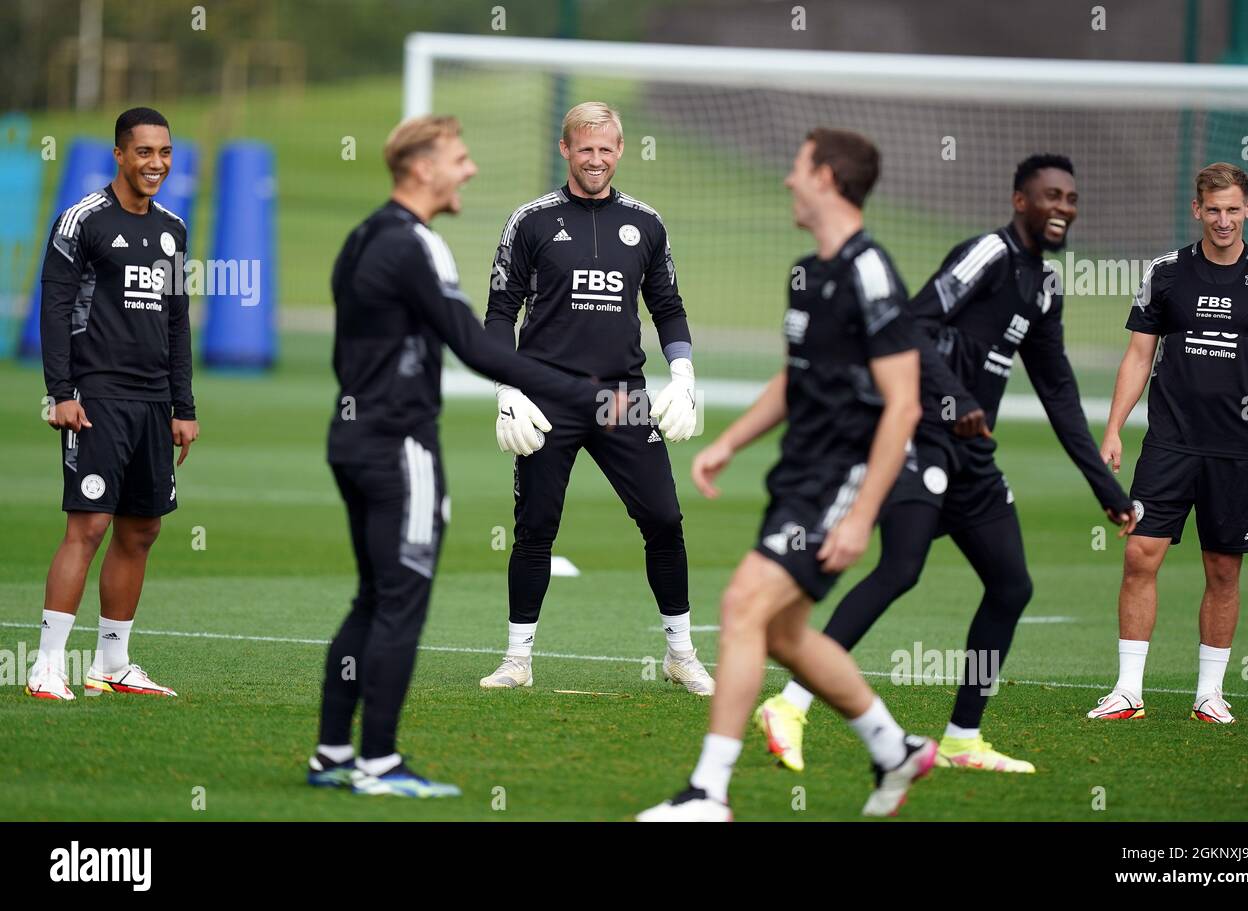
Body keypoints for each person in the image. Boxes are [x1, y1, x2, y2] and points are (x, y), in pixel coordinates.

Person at [759, 154, 1135, 774]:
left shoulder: (1043, 286)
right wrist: (952, 396)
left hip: (972, 454)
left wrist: (1107, 488)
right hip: (922, 436)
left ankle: (963, 739)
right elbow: (912, 321)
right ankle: (791, 703)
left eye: (1071, 197)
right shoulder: (985, 253)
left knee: (1011, 585)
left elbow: (1058, 391)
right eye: (1051, 196)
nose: (1063, 207)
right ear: (1021, 201)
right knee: (900, 569)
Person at [309, 115, 621, 798]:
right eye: (459, 157)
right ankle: (381, 764)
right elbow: (474, 345)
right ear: (421, 168)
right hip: (399, 446)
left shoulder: (364, 234)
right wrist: (582, 393)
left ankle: (333, 752)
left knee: (373, 596)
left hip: (353, 436)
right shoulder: (417, 243)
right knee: (401, 603)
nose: (471, 169)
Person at [638, 128, 935, 821]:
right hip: (798, 474)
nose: (787, 180)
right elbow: (794, 377)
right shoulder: (808, 270)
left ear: (827, 177)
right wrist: (731, 442)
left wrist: (862, 512)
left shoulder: (871, 272)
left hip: (841, 479)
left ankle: (709, 791)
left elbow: (906, 403)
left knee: (743, 605)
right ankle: (893, 748)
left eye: (797, 168)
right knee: (783, 633)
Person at [478, 101, 712, 695]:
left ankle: (681, 654)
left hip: (622, 397)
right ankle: (516, 660)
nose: (596, 159)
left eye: (606, 148)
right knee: (535, 527)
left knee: (663, 518)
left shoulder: (646, 224)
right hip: (546, 397)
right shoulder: (529, 222)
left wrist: (682, 374)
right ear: (565, 150)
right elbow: (499, 314)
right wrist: (505, 386)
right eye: (585, 148)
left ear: (620, 150)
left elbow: (669, 309)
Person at [1088, 162, 1248, 724]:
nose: (1223, 220)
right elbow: (1138, 356)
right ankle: (1129, 690)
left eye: (1233, 209)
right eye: (1214, 209)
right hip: (1169, 443)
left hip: (1238, 448)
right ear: (1197, 210)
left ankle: (1210, 694)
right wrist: (1112, 428)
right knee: (1139, 555)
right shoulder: (1167, 273)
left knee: (1224, 569)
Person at [27, 107, 195, 701]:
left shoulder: (174, 229)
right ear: (120, 154)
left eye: (166, 153)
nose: (157, 164)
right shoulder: (83, 221)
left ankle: (112, 665)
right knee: (89, 524)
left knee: (141, 528)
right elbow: (53, 306)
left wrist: (183, 406)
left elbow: (178, 321)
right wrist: (61, 392)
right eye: (145, 152)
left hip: (154, 404)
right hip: (96, 397)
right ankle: (47, 665)